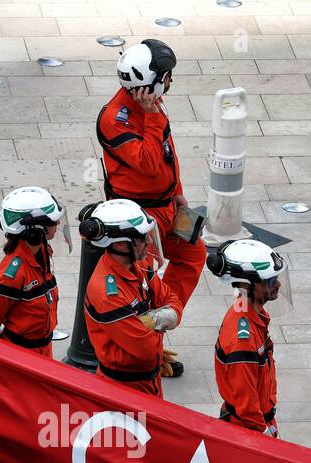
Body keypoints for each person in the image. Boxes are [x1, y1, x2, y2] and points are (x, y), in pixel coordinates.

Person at [96, 39, 206, 329]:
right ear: (148, 83)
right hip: (140, 215)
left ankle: (161, 320)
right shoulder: (115, 118)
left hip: (166, 205)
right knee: (142, 276)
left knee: (193, 253)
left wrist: (179, 194)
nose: (170, 81)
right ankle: (144, 334)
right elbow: (148, 162)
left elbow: (169, 151)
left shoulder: (150, 104)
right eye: (166, 76)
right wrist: (152, 118)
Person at [80, 198, 182, 397]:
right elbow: (146, 348)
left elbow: (173, 301)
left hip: (148, 379)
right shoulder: (107, 293)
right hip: (123, 391)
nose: (149, 241)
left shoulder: (139, 265)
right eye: (142, 237)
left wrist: (145, 323)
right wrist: (159, 326)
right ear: (120, 244)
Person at [208, 239, 287, 437]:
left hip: (260, 421)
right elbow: (246, 401)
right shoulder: (242, 339)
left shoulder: (248, 311)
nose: (277, 284)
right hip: (248, 429)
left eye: (275, 277)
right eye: (269, 280)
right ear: (245, 284)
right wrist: (263, 435)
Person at [0, 187, 69, 358]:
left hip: (44, 349)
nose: (57, 224)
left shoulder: (43, 253)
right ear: (34, 229)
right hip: (21, 357)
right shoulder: (11, 274)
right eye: (51, 222)